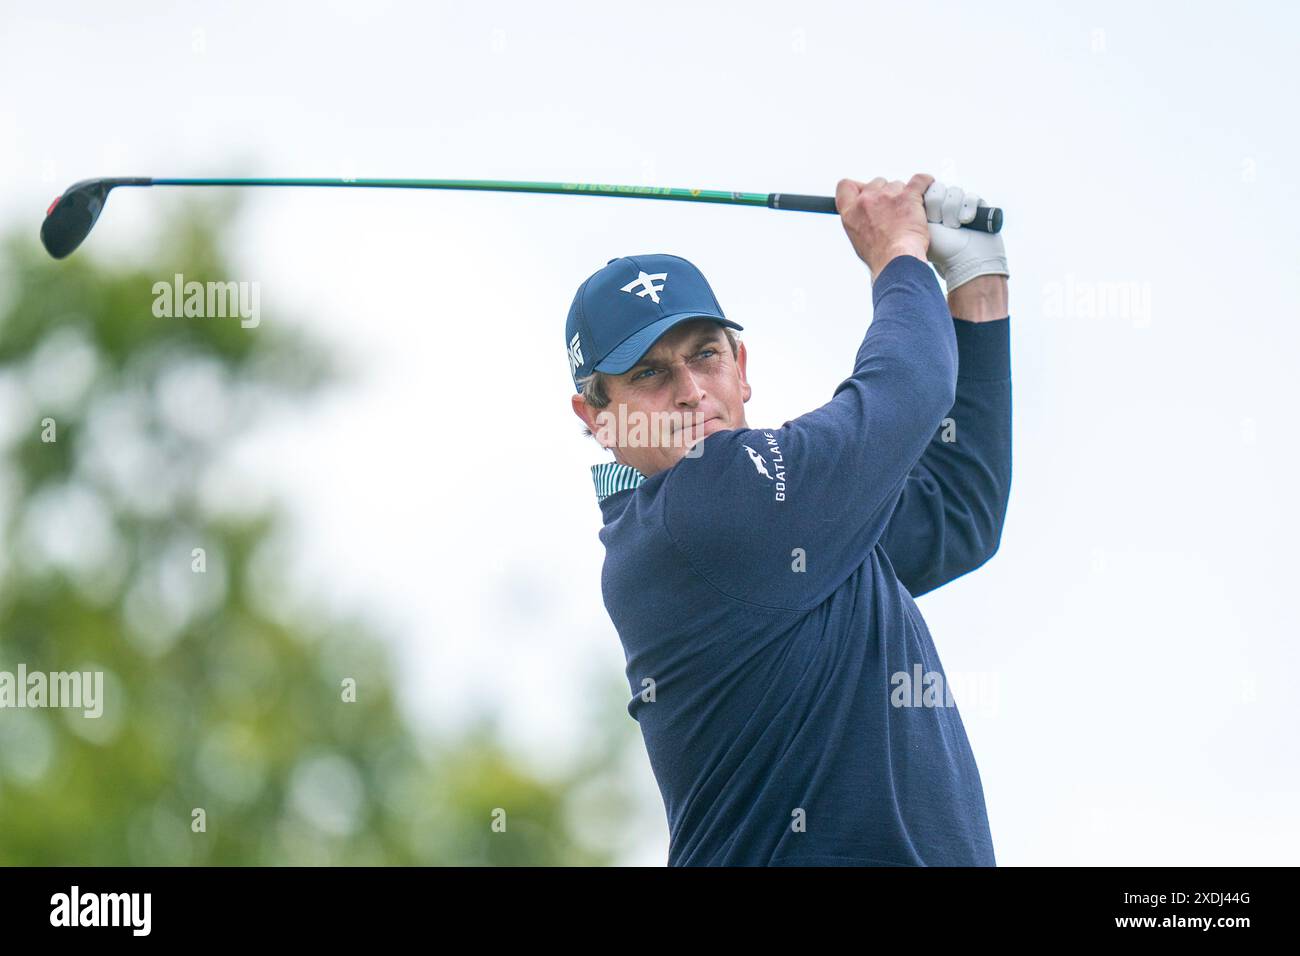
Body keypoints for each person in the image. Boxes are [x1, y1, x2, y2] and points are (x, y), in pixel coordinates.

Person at [566, 173, 1011, 866]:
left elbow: (957, 512)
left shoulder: (797, 519)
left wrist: (976, 279)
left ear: (740, 366)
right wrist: (897, 253)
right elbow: (909, 387)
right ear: (596, 418)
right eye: (649, 375)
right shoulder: (702, 514)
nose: (691, 391)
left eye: (705, 354)